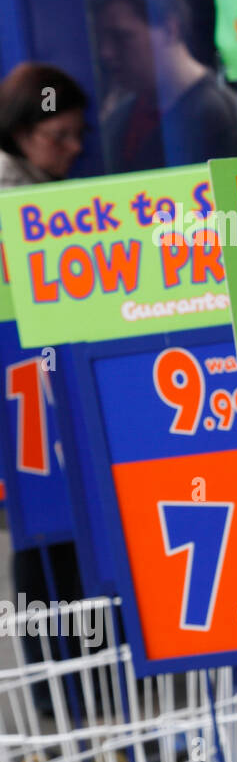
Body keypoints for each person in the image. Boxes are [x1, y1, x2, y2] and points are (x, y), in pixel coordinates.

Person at [0, 62, 91, 718]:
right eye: (60, 135)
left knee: (53, 545)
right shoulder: (18, 203)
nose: (75, 149)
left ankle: (70, 704)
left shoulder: (40, 192)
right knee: (45, 546)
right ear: (21, 131)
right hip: (26, 406)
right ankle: (67, 708)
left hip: (43, 401)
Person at [88, 0, 237, 172]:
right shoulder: (116, 123)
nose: (106, 53)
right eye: (101, 40)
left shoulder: (225, 119)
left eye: (122, 37)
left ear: (169, 29)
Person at [0, 62, 88, 185]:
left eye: (79, 133)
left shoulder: (44, 178)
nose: (76, 147)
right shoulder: (7, 185)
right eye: (59, 136)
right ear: (21, 134)